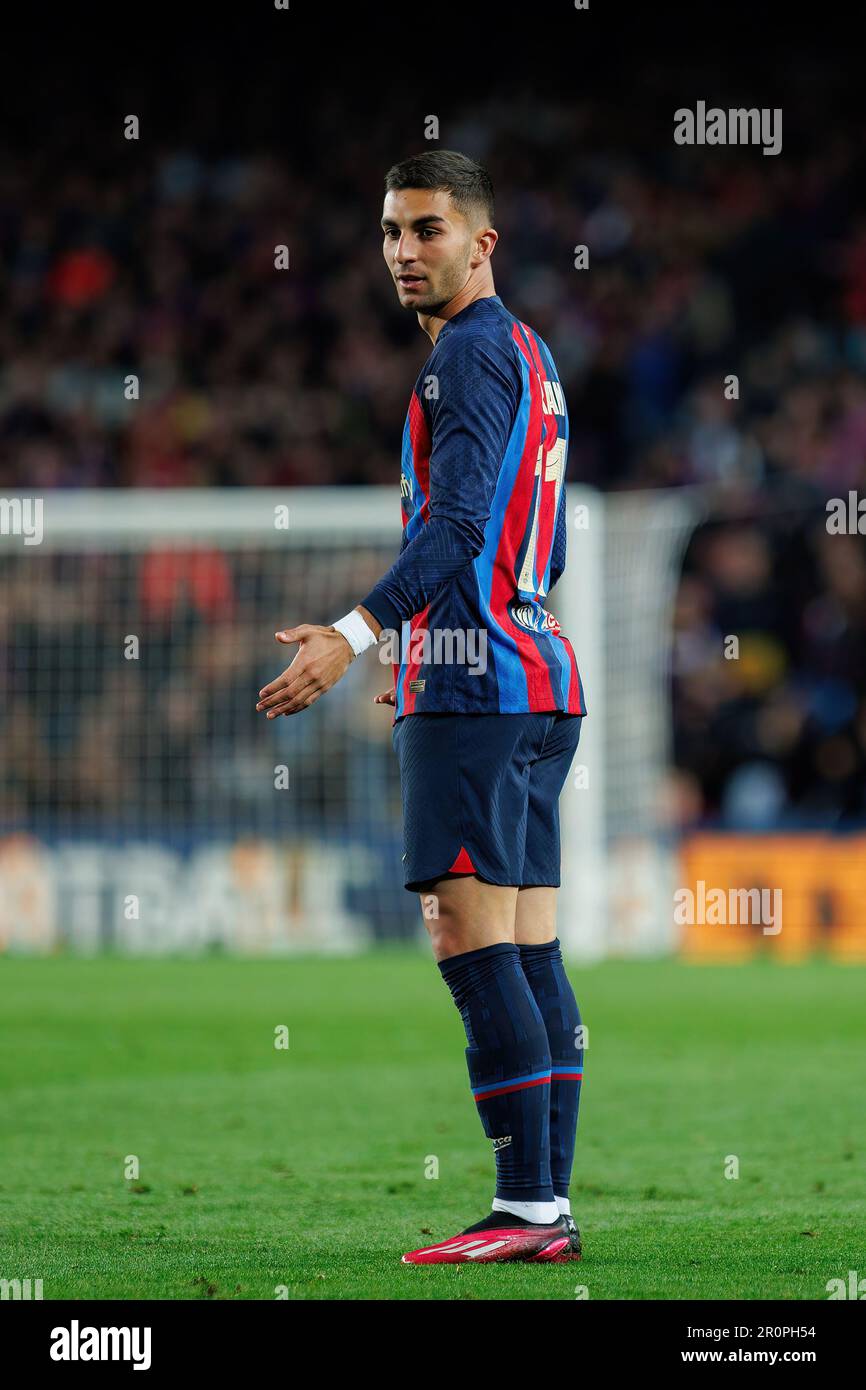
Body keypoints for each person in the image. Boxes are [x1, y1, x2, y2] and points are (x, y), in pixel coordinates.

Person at [256, 150, 587, 1264]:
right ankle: (545, 1209)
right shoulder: (530, 357)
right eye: (391, 231)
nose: (403, 251)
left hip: (472, 681)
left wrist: (351, 637)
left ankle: (527, 1206)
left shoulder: (465, 359)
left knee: (462, 934)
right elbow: (498, 532)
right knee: (528, 944)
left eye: (428, 230)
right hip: (537, 675)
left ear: (480, 242)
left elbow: (449, 533)